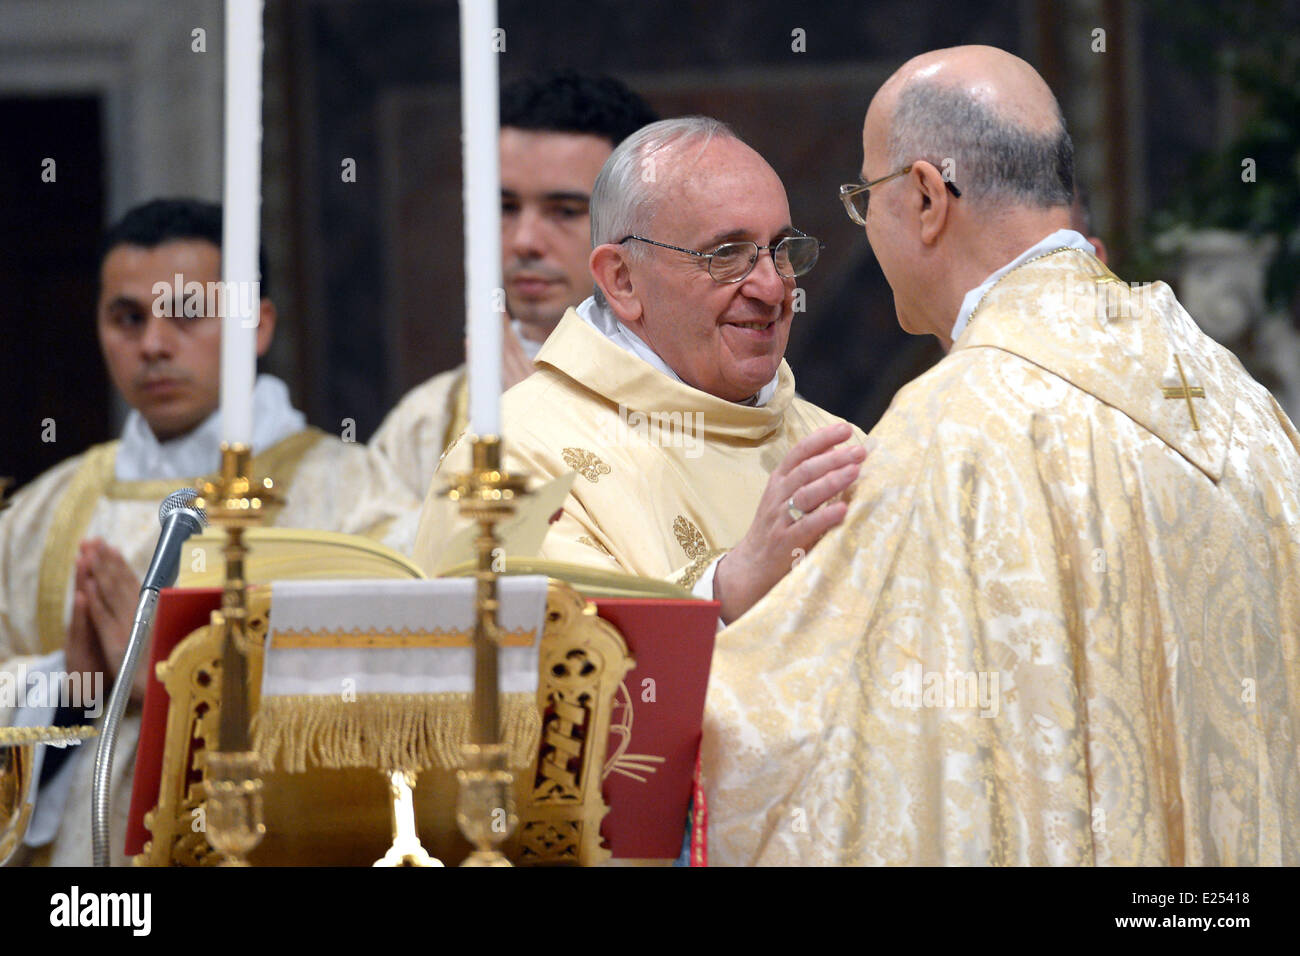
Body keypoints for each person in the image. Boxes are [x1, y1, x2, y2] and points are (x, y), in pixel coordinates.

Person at [703, 46, 1300, 865]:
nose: (865, 227)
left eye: (862, 197)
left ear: (922, 196)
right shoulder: (1242, 404)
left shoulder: (953, 432)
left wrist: (618, 670)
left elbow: (792, 741)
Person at [0, 198, 421, 866]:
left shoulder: (356, 499)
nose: (154, 345)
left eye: (188, 314)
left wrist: (182, 688)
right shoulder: (38, 516)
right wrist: (66, 687)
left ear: (257, 327)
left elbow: (404, 698)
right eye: (127, 318)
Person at [416, 117, 869, 624]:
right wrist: (727, 588)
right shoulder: (515, 462)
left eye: (781, 251)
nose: (770, 288)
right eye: (726, 255)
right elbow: (556, 676)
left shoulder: (839, 446)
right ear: (622, 280)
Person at [370, 70, 659, 499]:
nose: (525, 241)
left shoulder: (691, 397)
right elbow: (379, 556)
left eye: (564, 211)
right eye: (504, 208)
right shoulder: (430, 419)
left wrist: (535, 419)